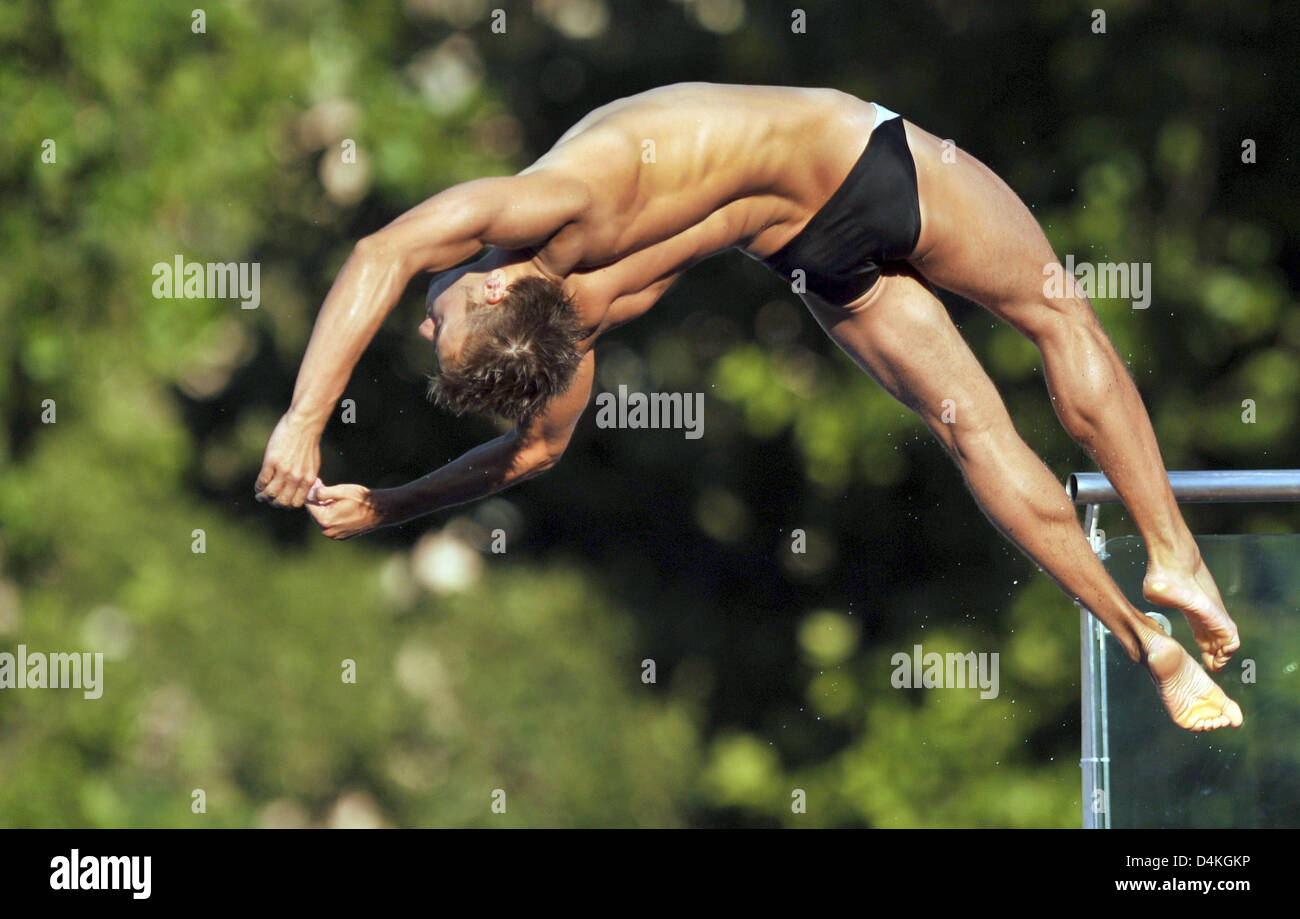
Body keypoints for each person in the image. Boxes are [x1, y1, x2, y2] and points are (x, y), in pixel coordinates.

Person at [255, 82, 1242, 732]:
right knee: (1057, 317)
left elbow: (533, 454)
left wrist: (387, 501)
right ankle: (1170, 555)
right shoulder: (540, 217)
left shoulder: (578, 334)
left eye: (438, 325)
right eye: (445, 322)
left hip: (810, 260)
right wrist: (309, 426)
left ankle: (1144, 644)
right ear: (503, 290)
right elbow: (380, 254)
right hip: (858, 163)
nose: (424, 323)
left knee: (969, 430)